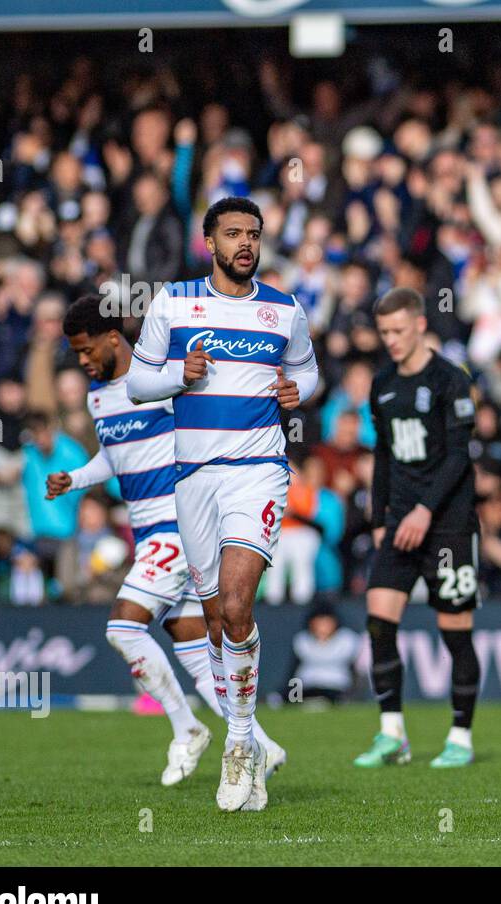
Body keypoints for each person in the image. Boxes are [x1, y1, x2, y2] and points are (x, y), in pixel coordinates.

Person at [126, 196, 318, 812]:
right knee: (216, 621)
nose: (245, 243)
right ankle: (247, 742)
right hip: (194, 479)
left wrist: (297, 393)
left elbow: (308, 373)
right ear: (208, 241)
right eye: (233, 233)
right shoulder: (173, 301)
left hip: (257, 471)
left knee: (237, 603)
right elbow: (136, 383)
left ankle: (239, 746)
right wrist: (179, 375)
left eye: (253, 234)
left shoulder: (284, 308)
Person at [47, 293, 284, 787]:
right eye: (77, 355)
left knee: (124, 629)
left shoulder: (167, 377)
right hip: (147, 532)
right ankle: (259, 742)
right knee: (191, 643)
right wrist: (76, 478)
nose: (84, 361)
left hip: (179, 526)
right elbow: (117, 457)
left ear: (114, 338)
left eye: (88, 350)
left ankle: (186, 727)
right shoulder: (97, 398)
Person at [354, 287, 483, 770]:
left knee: (455, 633)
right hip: (400, 524)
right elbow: (383, 456)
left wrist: (424, 511)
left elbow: (457, 458)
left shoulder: (452, 380)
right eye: (384, 331)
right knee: (378, 620)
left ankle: (460, 736)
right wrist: (381, 519)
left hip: (447, 524)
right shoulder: (382, 384)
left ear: (420, 326)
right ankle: (393, 734)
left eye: (398, 330)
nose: (390, 340)